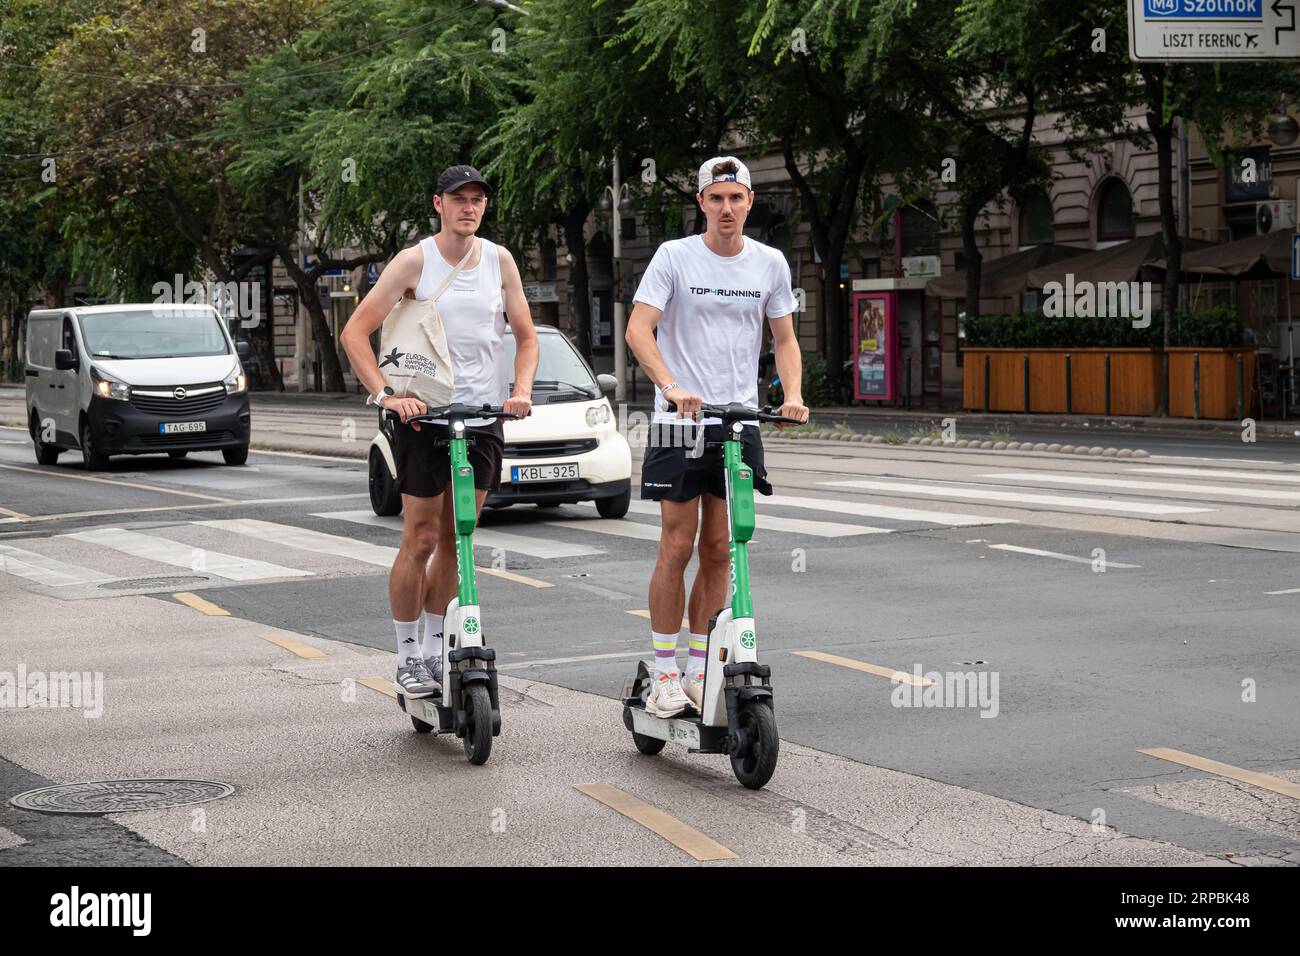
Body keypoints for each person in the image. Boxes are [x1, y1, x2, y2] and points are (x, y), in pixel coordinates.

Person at [340, 164, 538, 698]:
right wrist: (386, 395)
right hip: (422, 416)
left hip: (481, 418)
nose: (468, 207)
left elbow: (526, 336)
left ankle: (433, 651)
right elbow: (355, 332)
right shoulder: (414, 261)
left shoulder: (500, 261)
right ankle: (407, 656)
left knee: (459, 537)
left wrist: (520, 391)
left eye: (477, 199)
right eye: (458, 199)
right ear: (438, 204)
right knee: (420, 536)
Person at [625, 156, 809, 717]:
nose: (726, 208)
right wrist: (672, 385)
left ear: (749, 202)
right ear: (701, 203)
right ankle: (663, 675)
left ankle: (701, 670)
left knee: (720, 549)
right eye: (716, 199)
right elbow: (639, 328)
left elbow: (784, 337)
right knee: (677, 545)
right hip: (681, 421)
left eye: (736, 198)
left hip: (739, 421)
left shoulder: (770, 264)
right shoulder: (674, 257)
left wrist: (793, 393)